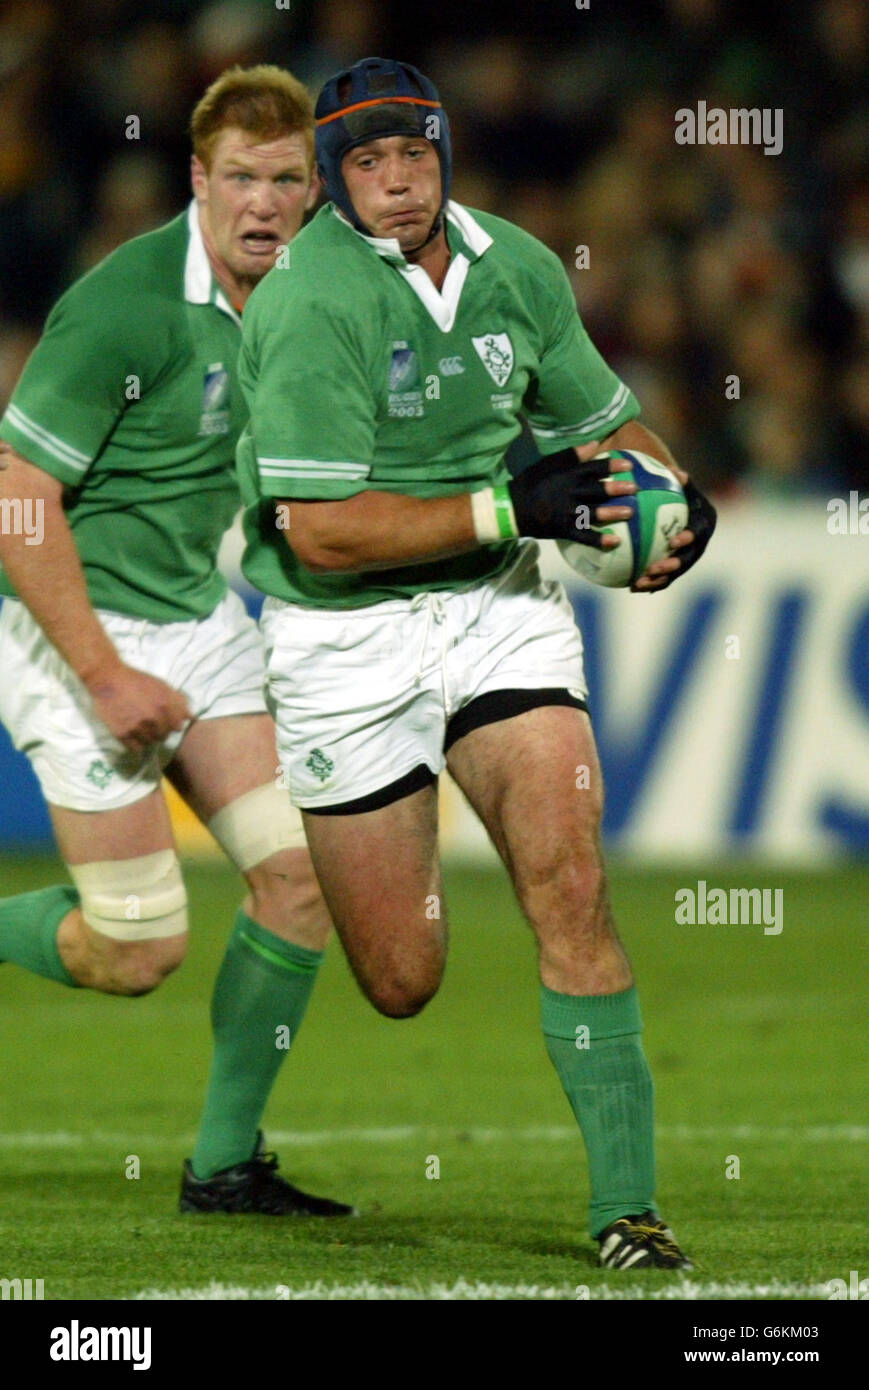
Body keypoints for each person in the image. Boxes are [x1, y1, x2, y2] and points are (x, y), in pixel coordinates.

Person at [237, 57, 716, 1269]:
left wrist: (672, 499)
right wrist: (510, 506)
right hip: (342, 633)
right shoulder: (307, 299)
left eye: (413, 156)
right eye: (366, 164)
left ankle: (628, 1209)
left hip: (496, 612)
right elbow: (321, 530)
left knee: (570, 881)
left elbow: (601, 428)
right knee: (401, 976)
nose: (396, 182)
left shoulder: (517, 268)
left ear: (442, 152)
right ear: (333, 185)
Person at [0, 65, 354, 1219]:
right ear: (197, 180)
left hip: (199, 620)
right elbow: (16, 495)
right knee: (137, 949)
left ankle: (222, 1164)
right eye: (239, 177)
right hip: (74, 629)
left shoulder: (315, 292)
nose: (262, 202)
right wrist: (100, 672)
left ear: (314, 192)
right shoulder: (127, 304)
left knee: (301, 882)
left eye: (284, 180)